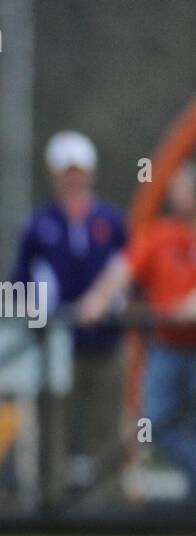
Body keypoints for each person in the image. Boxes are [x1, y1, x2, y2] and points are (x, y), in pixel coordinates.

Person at [11, 132, 128, 504]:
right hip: (57, 344)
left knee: (107, 428)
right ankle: (51, 503)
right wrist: (36, 314)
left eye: (79, 170)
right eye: (67, 171)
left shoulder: (111, 220)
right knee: (52, 426)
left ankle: (109, 503)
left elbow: (129, 272)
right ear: (54, 174)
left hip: (106, 340)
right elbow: (21, 278)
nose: (74, 178)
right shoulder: (38, 223)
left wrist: (109, 307)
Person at [80, 160, 196, 499]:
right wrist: (98, 299)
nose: (179, 195)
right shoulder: (160, 234)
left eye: (184, 188)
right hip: (169, 347)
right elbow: (122, 270)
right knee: (155, 423)